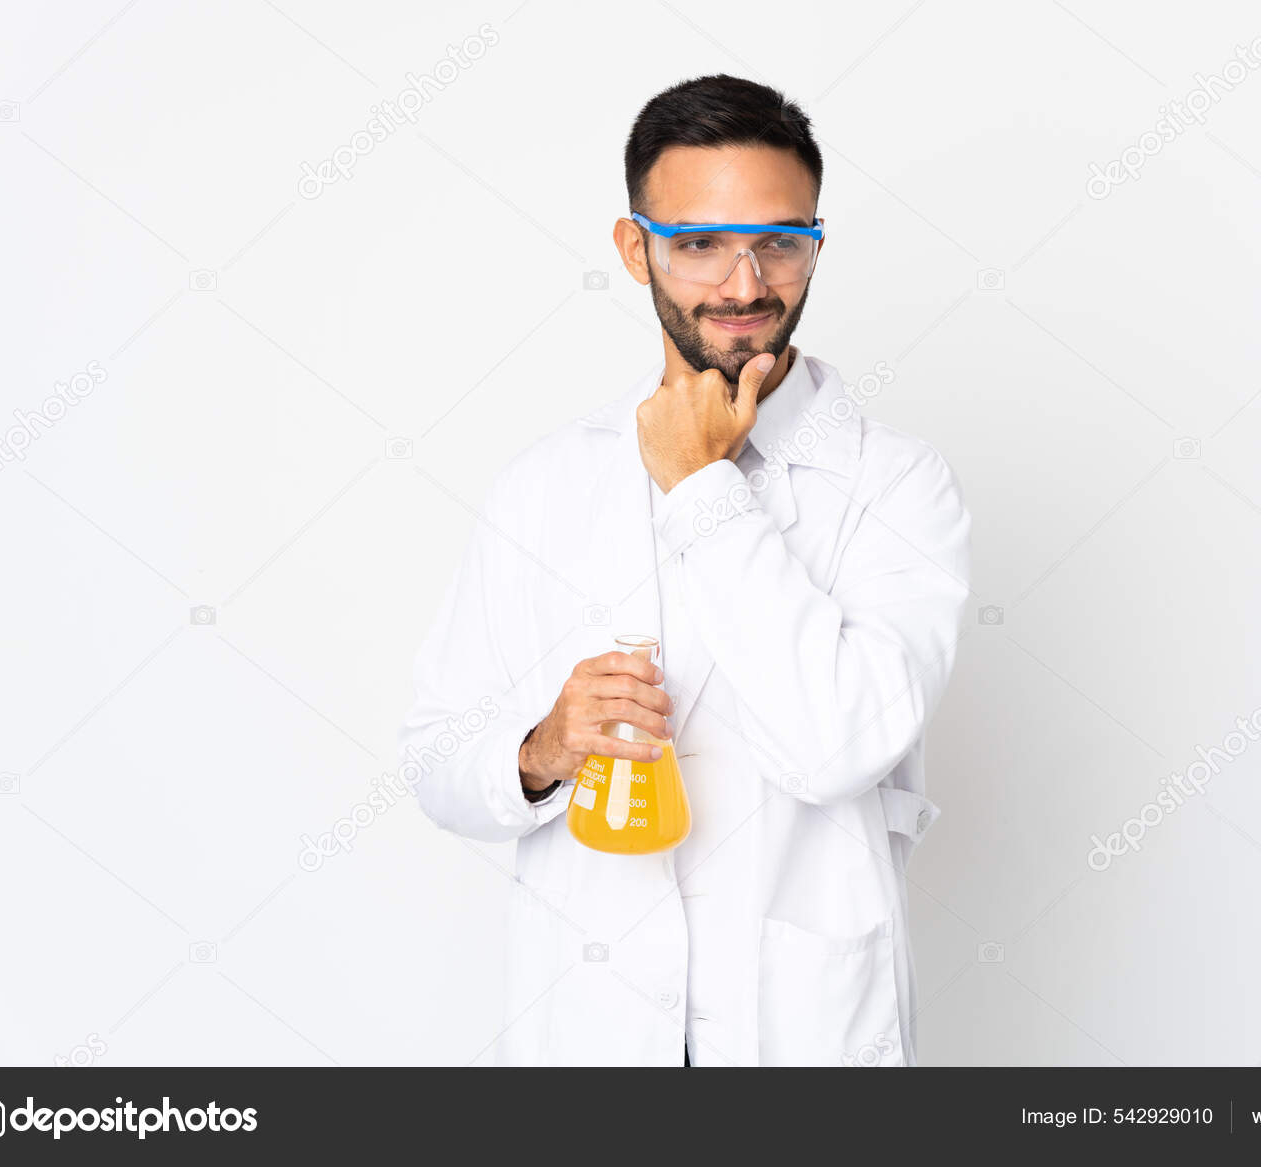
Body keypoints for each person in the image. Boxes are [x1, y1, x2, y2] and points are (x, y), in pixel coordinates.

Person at [402, 74, 971, 1066]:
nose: (745, 284)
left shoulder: (899, 486)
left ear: (815, 242)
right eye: (700, 242)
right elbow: (435, 758)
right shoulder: (547, 485)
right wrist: (542, 748)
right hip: (590, 1028)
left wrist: (697, 483)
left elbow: (837, 745)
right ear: (636, 250)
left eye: (780, 241)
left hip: (802, 1033)